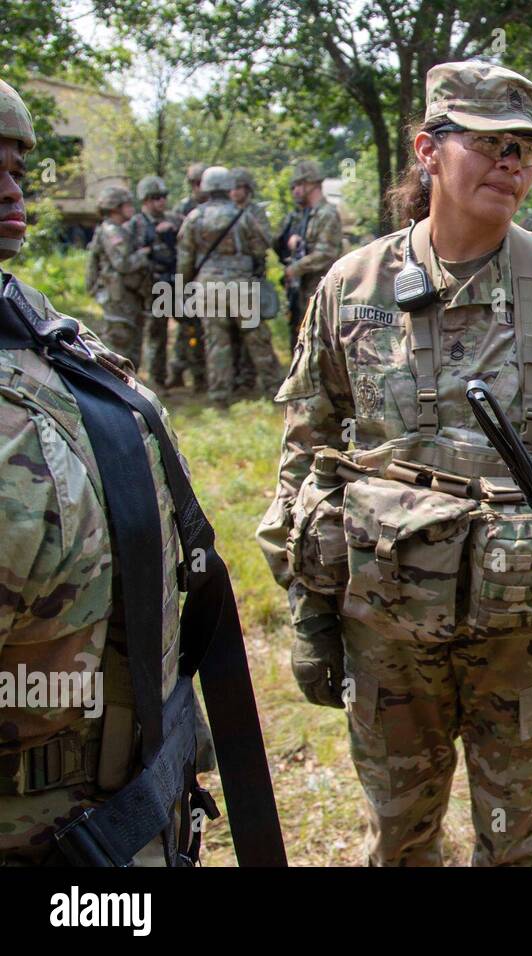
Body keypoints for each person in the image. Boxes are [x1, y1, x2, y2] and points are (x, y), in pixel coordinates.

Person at [256, 60, 532, 866]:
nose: (514, 165)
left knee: (520, 840)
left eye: (527, 151)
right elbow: (305, 452)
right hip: (387, 624)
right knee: (399, 835)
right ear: (428, 149)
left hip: (522, 629)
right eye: (491, 144)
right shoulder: (353, 286)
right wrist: (309, 617)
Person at [0, 79, 284, 867]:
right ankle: (231, 393)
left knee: (224, 356)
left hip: (128, 812)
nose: (11, 185)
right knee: (237, 354)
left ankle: (228, 392)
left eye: (18, 164)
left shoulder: (45, 335)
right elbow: (261, 248)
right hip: (65, 835)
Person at [176, 165, 281, 406]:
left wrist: (185, 285)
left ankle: (220, 395)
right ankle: (274, 387)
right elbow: (260, 246)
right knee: (257, 338)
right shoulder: (243, 216)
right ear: (227, 186)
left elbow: (185, 258)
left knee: (216, 342)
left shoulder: (195, 217)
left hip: (208, 286)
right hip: (241, 284)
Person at [274, 158, 342, 351]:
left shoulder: (326, 214)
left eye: (298, 185)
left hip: (319, 290)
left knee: (318, 344)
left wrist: (295, 269)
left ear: (311, 184)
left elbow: (326, 253)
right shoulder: (303, 215)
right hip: (302, 291)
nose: (294, 190)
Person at [85, 184, 150, 369]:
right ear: (115, 208)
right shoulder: (112, 231)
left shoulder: (119, 229)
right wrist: (144, 254)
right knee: (120, 344)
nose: (132, 208)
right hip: (118, 297)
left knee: (130, 343)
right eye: (127, 205)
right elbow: (123, 264)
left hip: (126, 295)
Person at [128, 174, 180, 388]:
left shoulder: (174, 220)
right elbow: (129, 256)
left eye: (164, 196)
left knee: (177, 330)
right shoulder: (135, 224)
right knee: (152, 334)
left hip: (172, 283)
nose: (162, 201)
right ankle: (152, 380)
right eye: (156, 197)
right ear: (146, 200)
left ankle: (167, 376)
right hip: (147, 287)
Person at [230, 166, 278, 393]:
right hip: (230, 281)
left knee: (256, 334)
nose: (234, 192)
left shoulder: (256, 212)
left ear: (247, 189)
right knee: (233, 337)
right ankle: (242, 379)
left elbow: (265, 240)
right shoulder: (225, 211)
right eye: (232, 187)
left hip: (251, 279)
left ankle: (270, 382)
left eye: (238, 187)